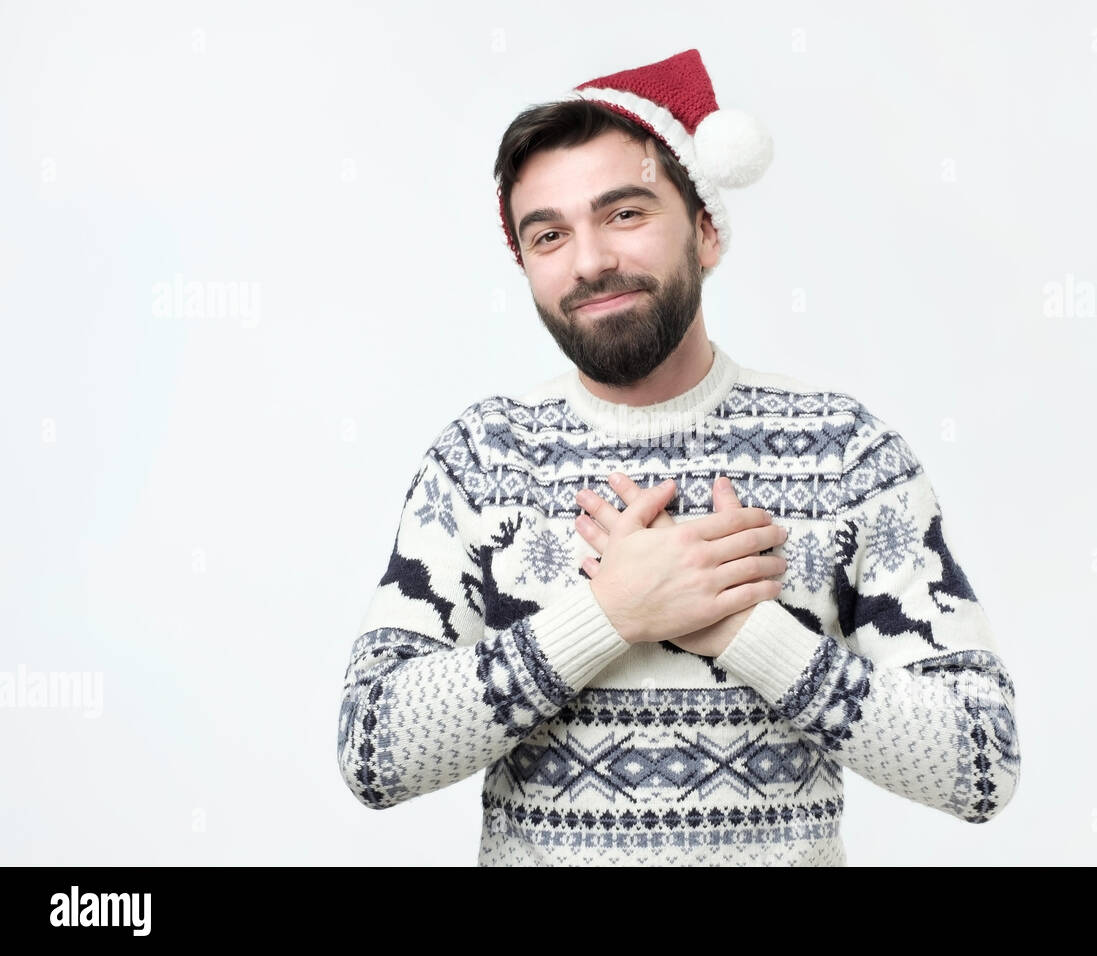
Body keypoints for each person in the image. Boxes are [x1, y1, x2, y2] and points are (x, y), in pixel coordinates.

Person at [336, 48, 1021, 866]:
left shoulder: (844, 451)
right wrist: (609, 614)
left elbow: (983, 764)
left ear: (706, 232)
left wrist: (747, 633)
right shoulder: (484, 458)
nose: (590, 261)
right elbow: (373, 753)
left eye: (625, 214)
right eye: (549, 235)